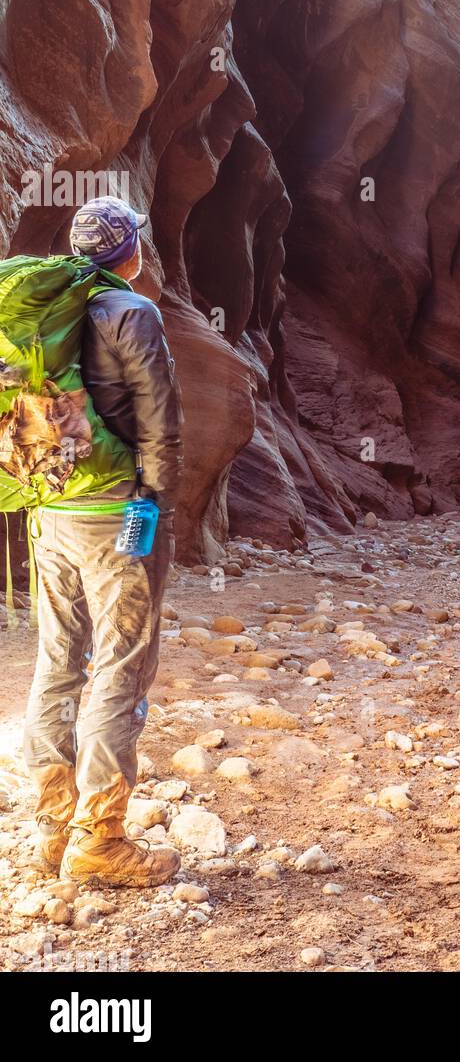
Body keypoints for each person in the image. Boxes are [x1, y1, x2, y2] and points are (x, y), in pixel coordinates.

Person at [23, 196, 183, 887]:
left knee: (58, 660)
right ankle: (101, 839)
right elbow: (160, 422)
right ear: (129, 253)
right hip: (117, 516)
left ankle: (54, 831)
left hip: (50, 508)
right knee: (121, 665)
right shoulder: (132, 312)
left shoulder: (45, 316)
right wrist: (155, 505)